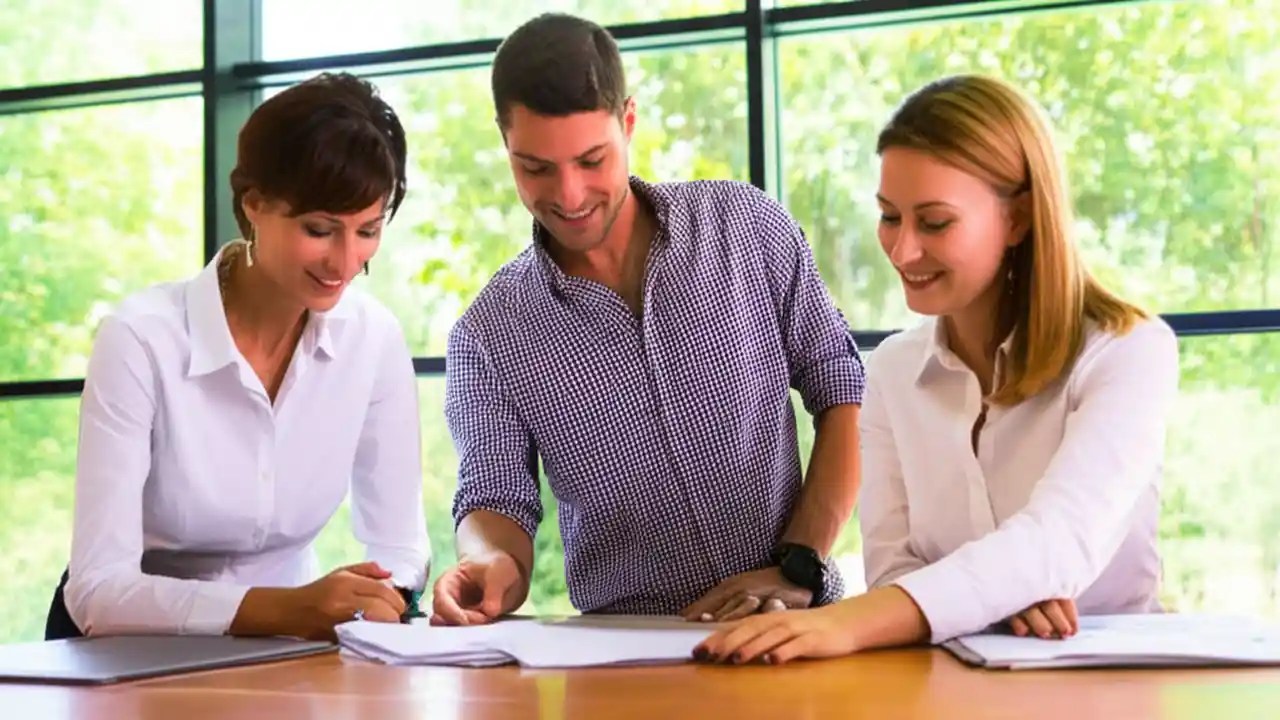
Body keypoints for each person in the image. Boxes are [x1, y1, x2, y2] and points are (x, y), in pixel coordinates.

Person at [695, 74, 1179, 665]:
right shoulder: (892, 371)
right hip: (947, 682)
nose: (902, 251)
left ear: (1019, 219)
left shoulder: (1129, 352)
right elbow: (893, 567)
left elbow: (1059, 542)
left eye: (935, 222)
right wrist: (996, 595)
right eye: (889, 216)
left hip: (1110, 683)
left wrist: (851, 622)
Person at [430, 13, 865, 626]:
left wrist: (798, 566)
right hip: (625, 650)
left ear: (628, 121)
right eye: (536, 168)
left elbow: (844, 394)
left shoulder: (748, 227)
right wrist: (488, 562)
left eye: (591, 159)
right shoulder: (488, 334)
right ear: (505, 144)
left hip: (792, 624)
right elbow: (493, 493)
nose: (570, 195)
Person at [62, 72, 429, 641]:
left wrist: (383, 597)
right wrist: (287, 610)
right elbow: (98, 591)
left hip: (298, 650)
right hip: (133, 653)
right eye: (319, 230)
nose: (345, 262)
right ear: (254, 203)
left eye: (367, 231)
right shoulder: (141, 340)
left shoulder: (373, 339)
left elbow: (401, 546)